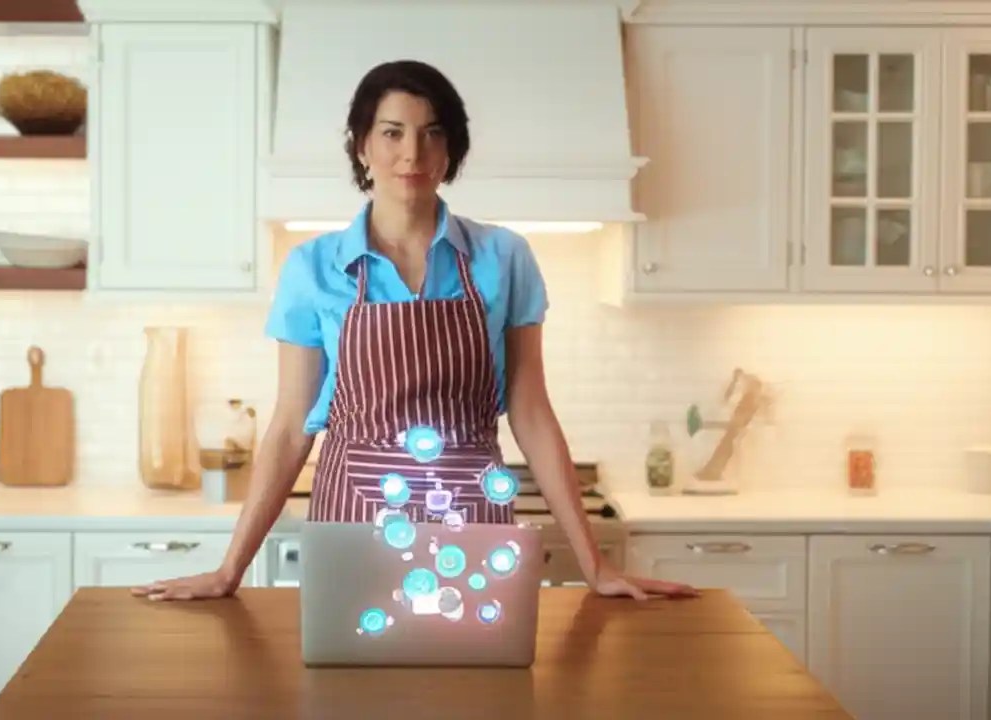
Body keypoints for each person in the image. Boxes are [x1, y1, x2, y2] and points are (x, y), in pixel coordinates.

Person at [132, 59, 698, 603]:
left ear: (450, 150)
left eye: (432, 134)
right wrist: (230, 570)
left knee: (476, 693)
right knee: (347, 696)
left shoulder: (504, 258)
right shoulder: (313, 268)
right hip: (351, 524)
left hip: (471, 522)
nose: (412, 153)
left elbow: (531, 413)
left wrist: (595, 566)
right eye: (393, 132)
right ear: (363, 147)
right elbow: (288, 429)